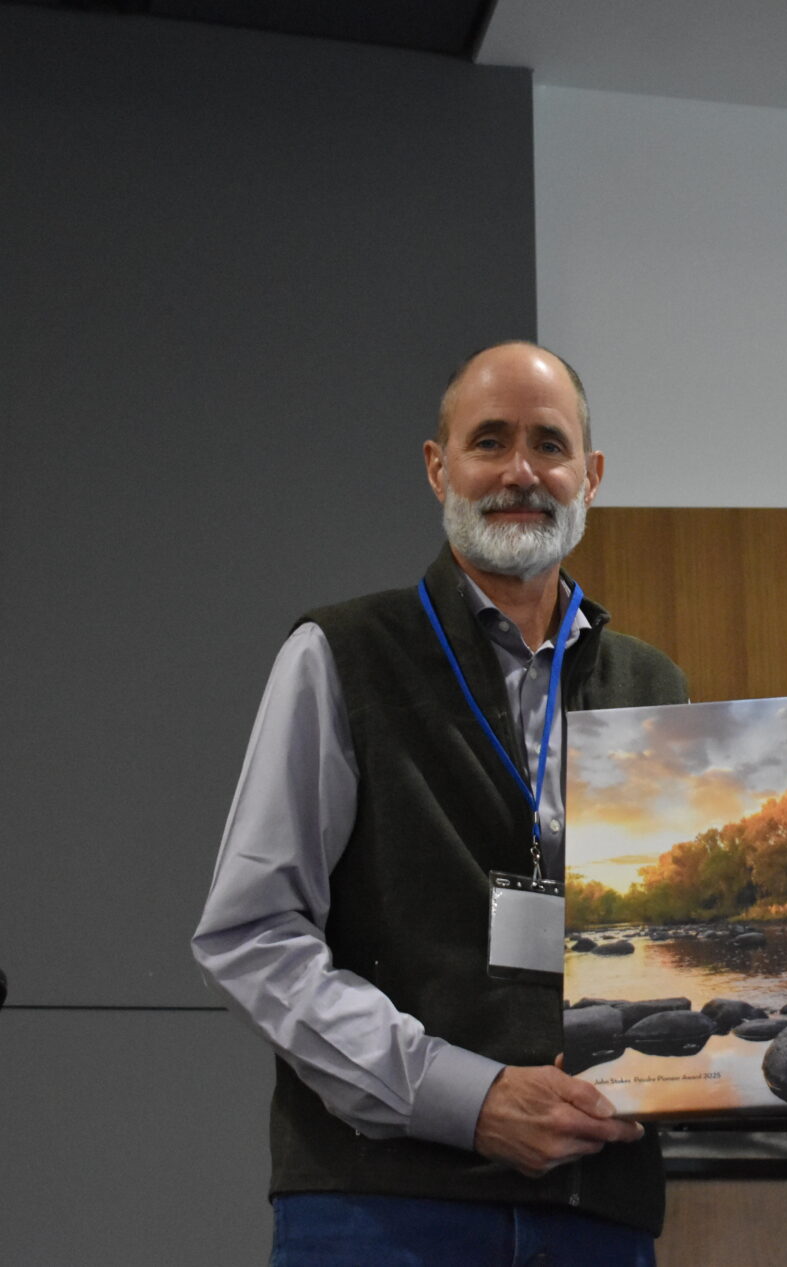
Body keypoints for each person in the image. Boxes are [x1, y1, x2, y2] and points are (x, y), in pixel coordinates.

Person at [193, 342, 686, 1264]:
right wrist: (470, 1097)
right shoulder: (340, 653)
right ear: (438, 467)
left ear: (594, 476)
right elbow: (252, 933)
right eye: (488, 441)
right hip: (381, 1205)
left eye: (550, 443)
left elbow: (689, 944)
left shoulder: (651, 684)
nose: (520, 472)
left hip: (599, 1210)